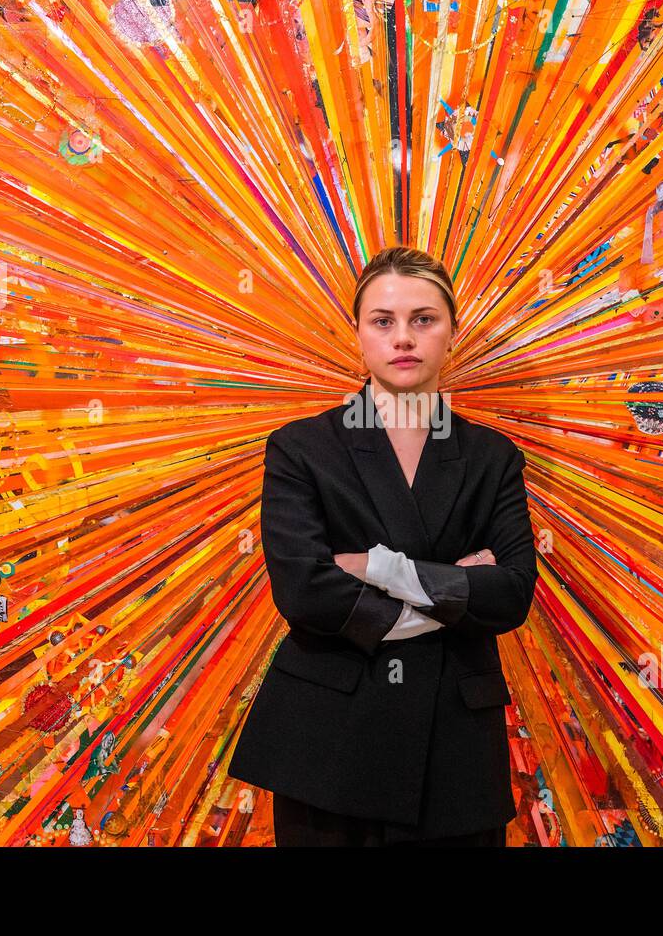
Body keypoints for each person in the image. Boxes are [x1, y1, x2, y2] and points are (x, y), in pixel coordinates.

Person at [227, 246, 538, 846]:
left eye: (424, 319)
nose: (404, 338)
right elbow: (306, 593)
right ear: (360, 335)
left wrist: (377, 567)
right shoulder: (301, 448)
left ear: (452, 331)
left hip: (454, 747)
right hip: (329, 742)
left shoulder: (492, 457)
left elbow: (513, 596)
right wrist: (454, 582)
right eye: (384, 321)